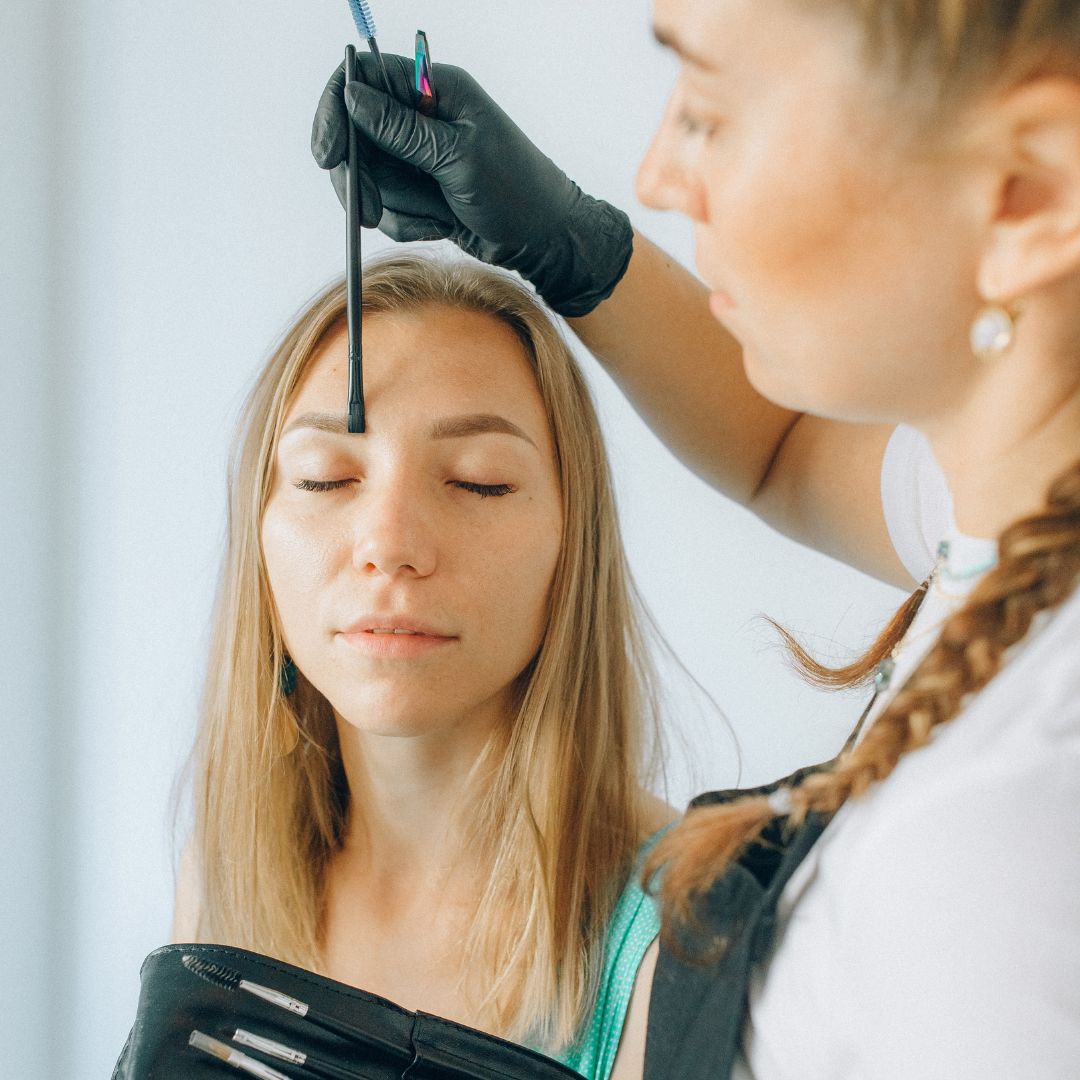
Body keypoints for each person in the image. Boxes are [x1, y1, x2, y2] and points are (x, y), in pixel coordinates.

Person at [312, 2, 1080, 1076]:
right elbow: (783, 448)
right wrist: (568, 247)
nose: (659, 174)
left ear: (1027, 190)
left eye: (710, 112)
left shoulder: (1007, 851)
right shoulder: (1008, 502)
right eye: (323, 479)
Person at [170, 252, 677, 1079]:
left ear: (571, 541)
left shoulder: (681, 929)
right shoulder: (224, 875)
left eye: (479, 483)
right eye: (325, 478)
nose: (391, 544)